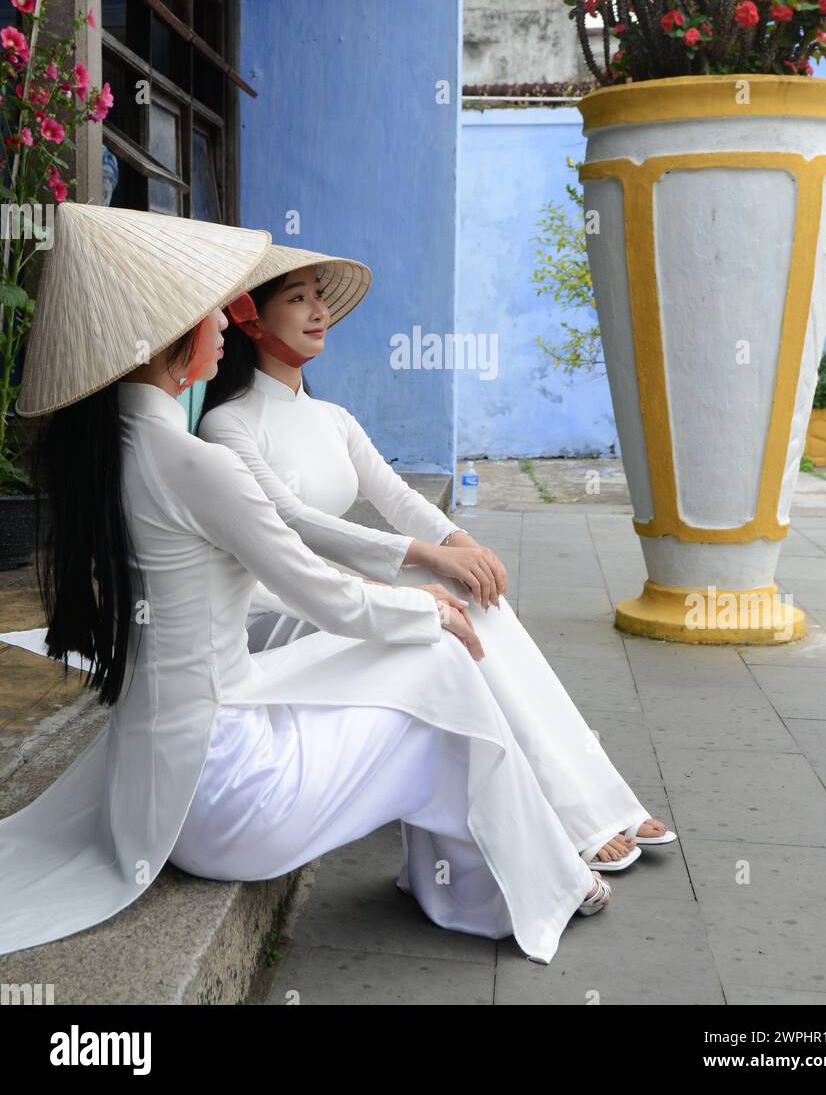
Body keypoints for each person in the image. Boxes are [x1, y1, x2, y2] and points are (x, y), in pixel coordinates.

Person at [0, 202, 611, 967]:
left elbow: (328, 556)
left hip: (155, 786)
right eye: (212, 310)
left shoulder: (116, 451)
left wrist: (418, 587)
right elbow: (317, 587)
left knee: (422, 661)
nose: (226, 321)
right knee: (442, 671)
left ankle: (489, 878)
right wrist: (422, 607)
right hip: (229, 799)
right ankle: (511, 885)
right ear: (168, 338)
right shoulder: (199, 460)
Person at [196, 246, 677, 873]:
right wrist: (426, 557)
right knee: (442, 602)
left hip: (342, 583)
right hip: (286, 601)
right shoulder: (226, 426)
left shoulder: (332, 418)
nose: (318, 311)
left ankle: (592, 798)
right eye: (297, 298)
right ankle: (571, 813)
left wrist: (459, 544)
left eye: (319, 295)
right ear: (252, 321)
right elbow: (293, 522)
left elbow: (394, 494)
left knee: (476, 598)